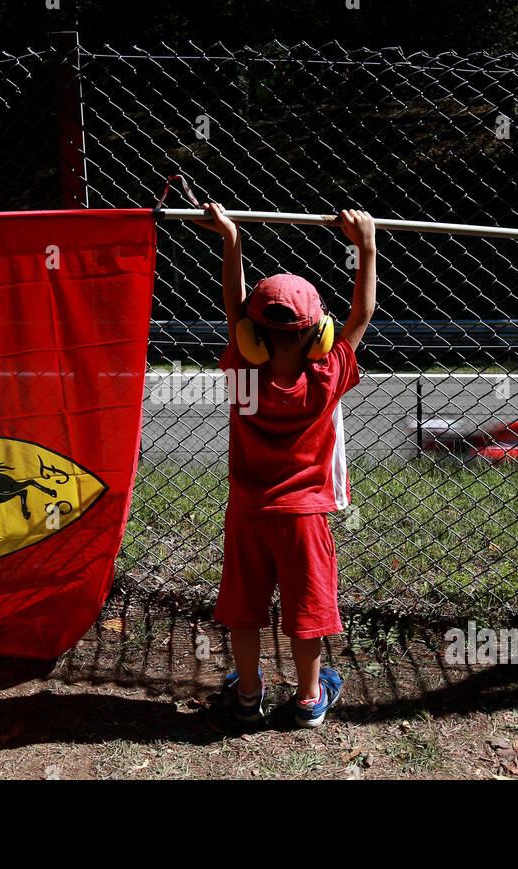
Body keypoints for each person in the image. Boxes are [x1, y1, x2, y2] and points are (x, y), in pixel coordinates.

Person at [193, 203, 377, 728]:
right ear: (318, 334)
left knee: (245, 608)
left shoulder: (239, 370)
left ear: (250, 336)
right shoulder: (327, 376)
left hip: (248, 512)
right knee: (307, 609)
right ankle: (308, 698)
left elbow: (234, 306)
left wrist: (231, 240)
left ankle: (248, 694)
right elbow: (360, 317)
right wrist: (365, 244)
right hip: (304, 517)